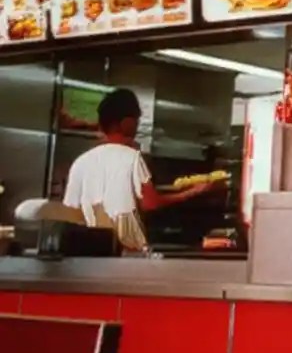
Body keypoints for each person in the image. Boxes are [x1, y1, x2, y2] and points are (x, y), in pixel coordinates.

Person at [62, 88, 213, 251]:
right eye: (137, 120)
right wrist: (191, 193)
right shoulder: (132, 158)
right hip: (122, 251)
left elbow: (69, 214)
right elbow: (150, 203)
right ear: (127, 123)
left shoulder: (81, 162)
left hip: (84, 253)